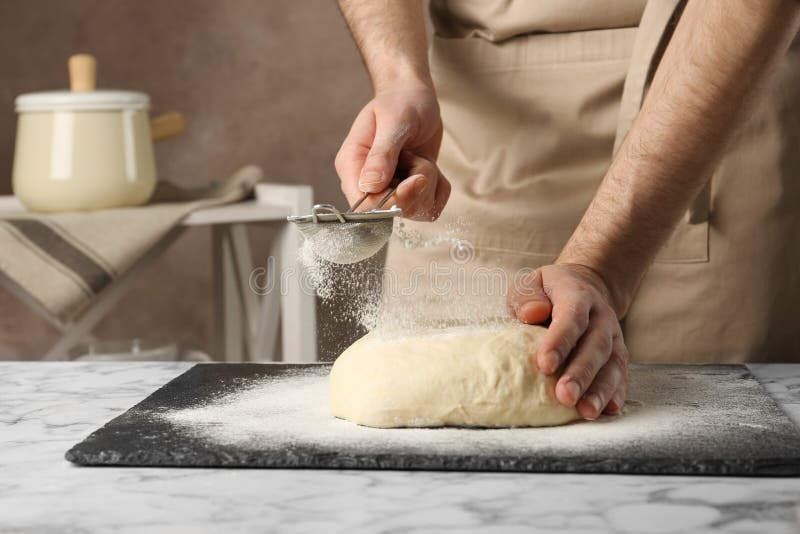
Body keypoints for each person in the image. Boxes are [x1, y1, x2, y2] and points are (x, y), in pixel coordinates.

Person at [334, 0, 800, 420]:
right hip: (484, 128)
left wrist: (599, 267)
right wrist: (398, 75)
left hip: (716, 101)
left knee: (705, 432)